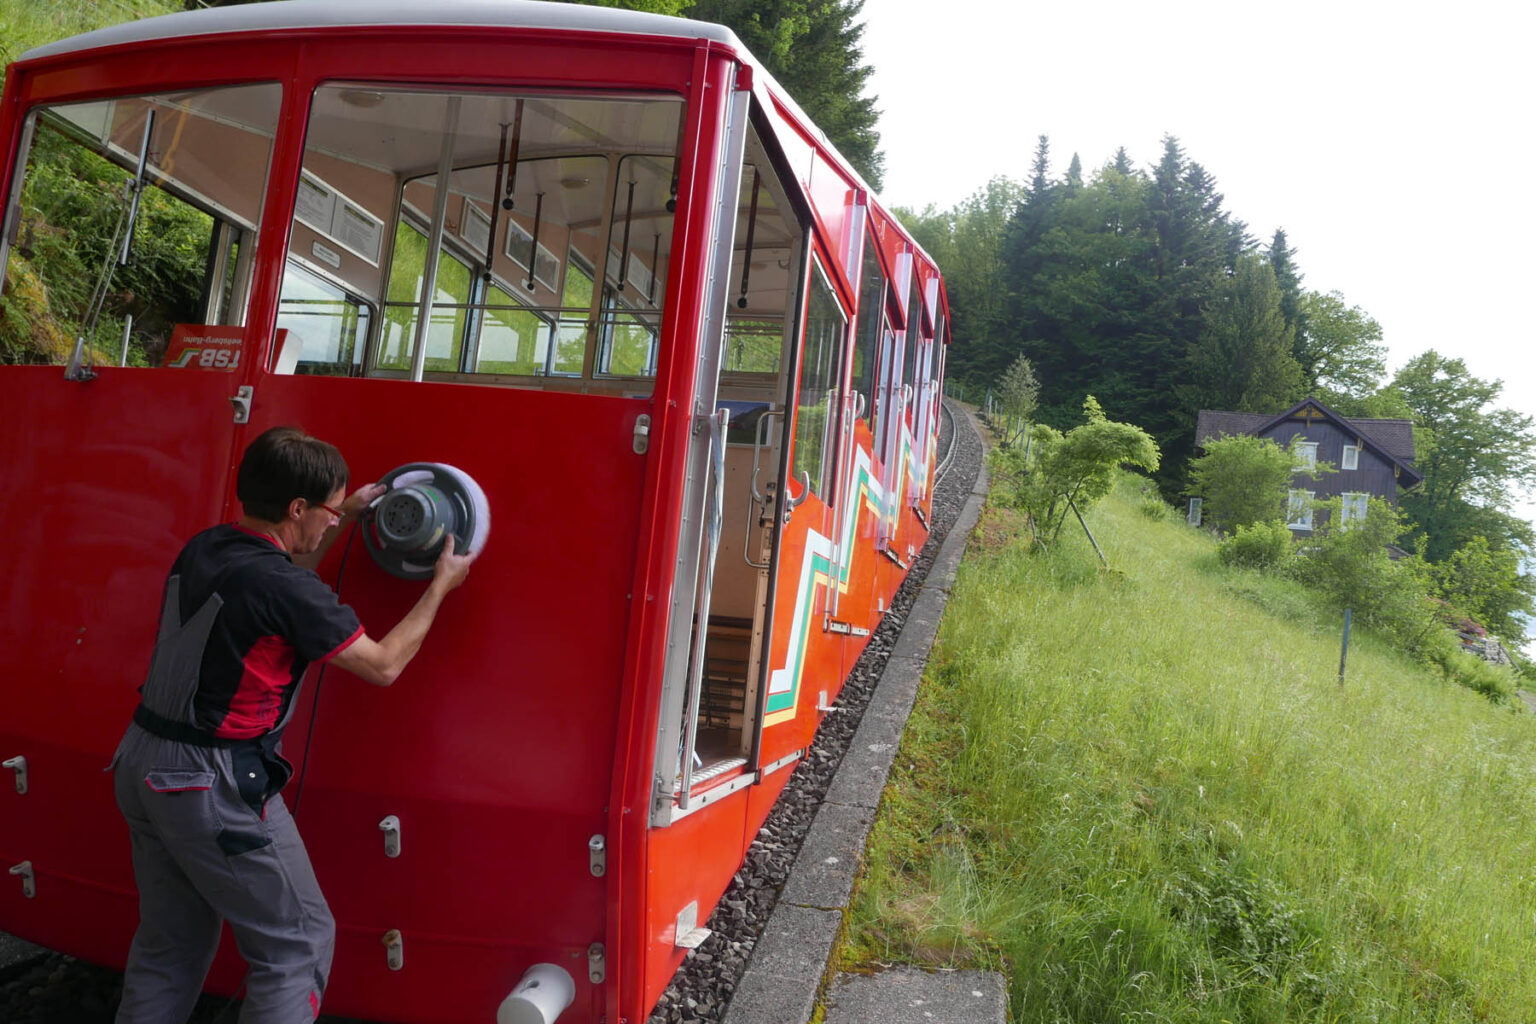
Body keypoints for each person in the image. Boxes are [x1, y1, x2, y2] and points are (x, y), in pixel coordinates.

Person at [110, 426, 477, 1024]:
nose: (336, 521)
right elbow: (383, 666)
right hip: (211, 783)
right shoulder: (288, 589)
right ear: (297, 507)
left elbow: (281, 578)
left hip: (139, 763)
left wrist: (350, 512)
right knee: (296, 943)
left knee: (170, 941)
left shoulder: (204, 547)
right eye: (331, 511)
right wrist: (440, 586)